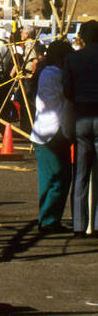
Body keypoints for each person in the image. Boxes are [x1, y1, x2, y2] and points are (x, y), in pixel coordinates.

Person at [31, 39, 74, 234]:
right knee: (60, 177)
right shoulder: (56, 75)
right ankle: (49, 220)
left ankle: (47, 217)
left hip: (43, 131)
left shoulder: (44, 73)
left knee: (48, 178)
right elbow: (69, 94)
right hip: (53, 132)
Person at [62, 19, 98, 236]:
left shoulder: (72, 59)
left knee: (81, 173)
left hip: (81, 116)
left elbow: (67, 90)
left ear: (82, 37)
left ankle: (78, 224)